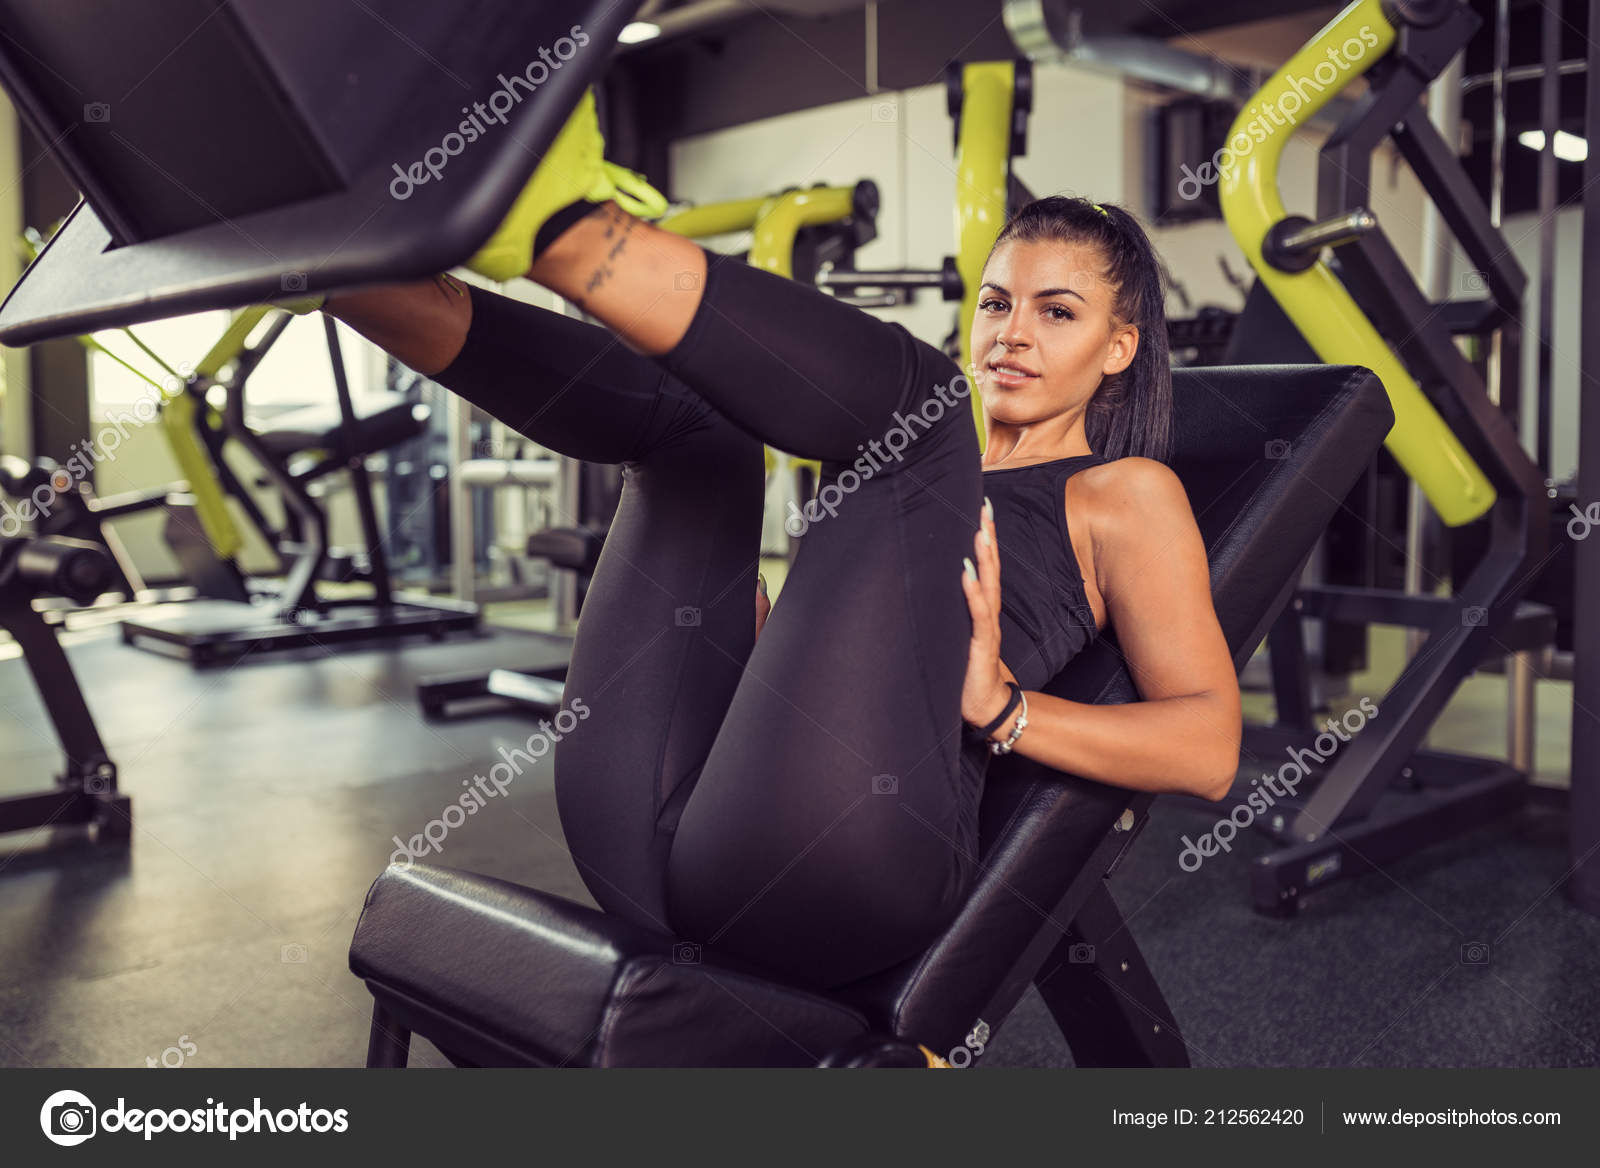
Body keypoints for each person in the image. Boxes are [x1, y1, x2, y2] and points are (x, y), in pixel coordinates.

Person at [323, 92, 1240, 989]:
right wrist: (763, 664)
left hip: (852, 863)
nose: (1011, 333)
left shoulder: (1123, 493)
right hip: (664, 840)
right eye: (997, 303)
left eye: (1058, 312)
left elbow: (1209, 749)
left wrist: (1004, 709)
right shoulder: (903, 479)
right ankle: (343, 269)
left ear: (1119, 348)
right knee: (703, 433)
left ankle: (555, 224)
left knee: (922, 409)